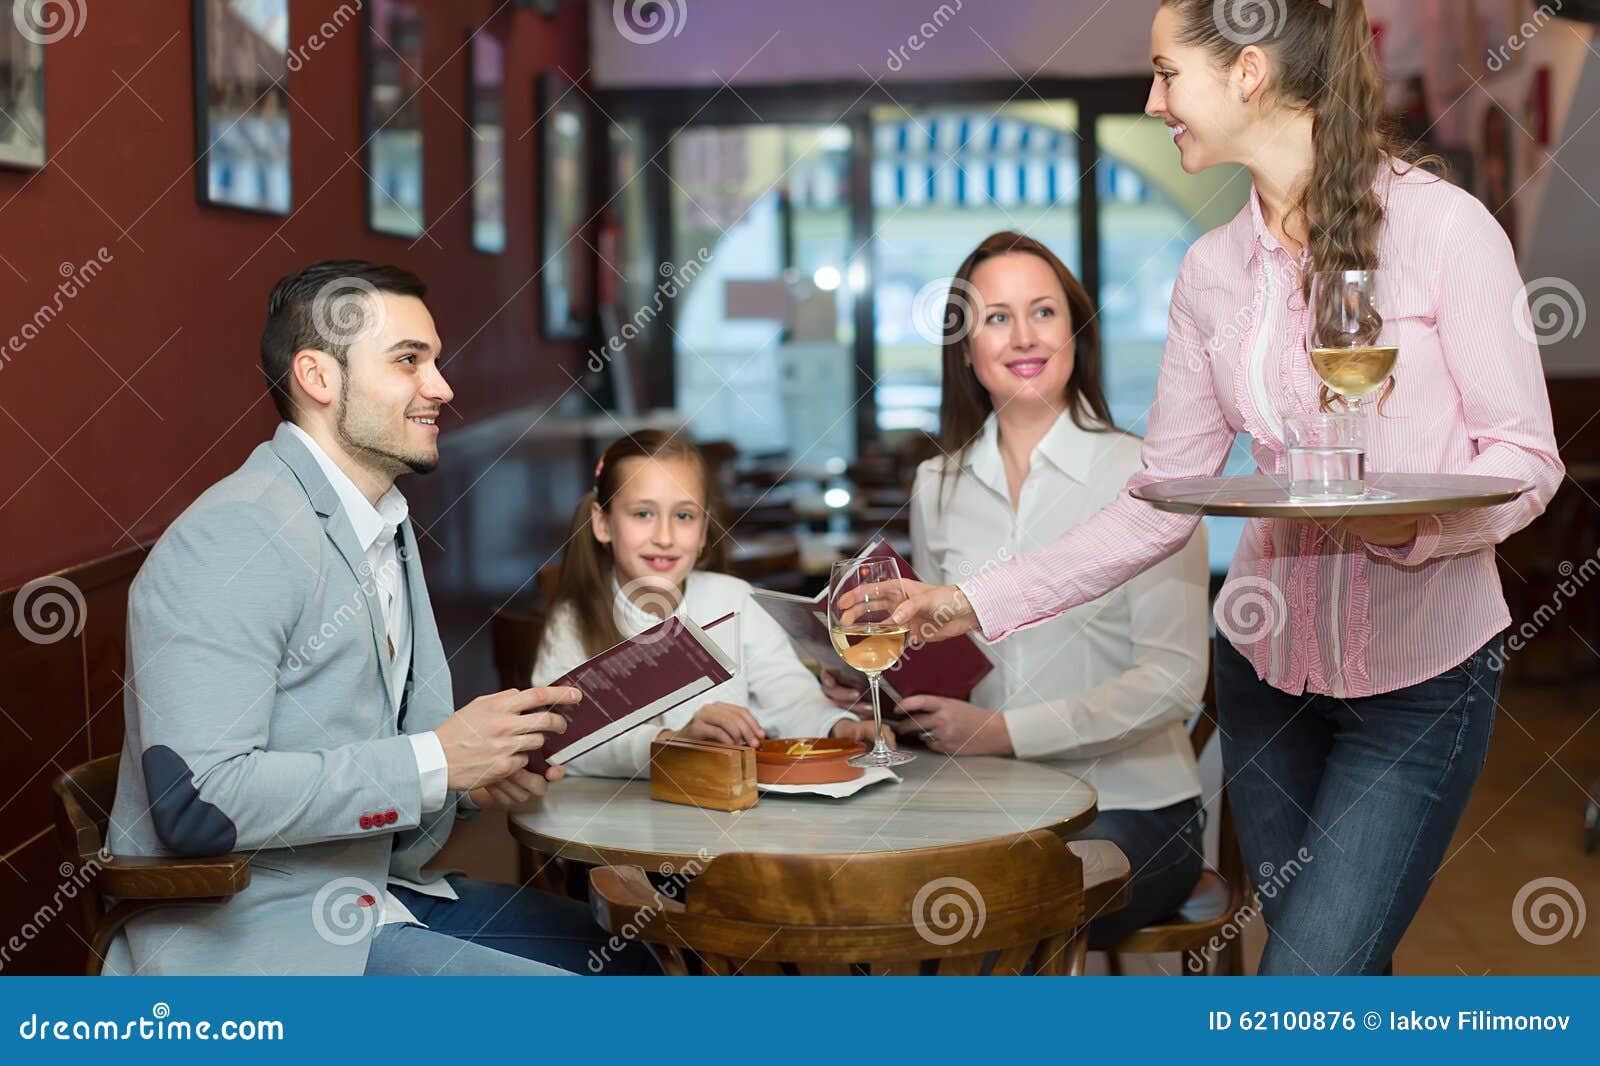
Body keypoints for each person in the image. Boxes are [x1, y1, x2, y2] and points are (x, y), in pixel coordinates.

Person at [885, 0, 1563, 975]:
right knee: (1332, 977)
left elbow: (1527, 460)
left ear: (1247, 72)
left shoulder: (1443, 231)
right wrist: (969, 601)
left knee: (1309, 981)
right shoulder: (1210, 273)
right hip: (1266, 668)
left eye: (1167, 73)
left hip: (1423, 677)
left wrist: (1416, 527)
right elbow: (1156, 499)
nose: (1155, 99)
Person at [106, 260, 654, 975]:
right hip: (267, 943)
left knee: (636, 964)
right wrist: (436, 761)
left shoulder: (381, 524)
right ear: (318, 378)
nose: (442, 388)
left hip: (376, 892)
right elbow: (199, 803)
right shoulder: (235, 536)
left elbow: (365, 761)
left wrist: (464, 780)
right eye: (408, 362)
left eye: (435, 361)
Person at [826, 231, 1210, 945]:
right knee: (860, 889)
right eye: (996, 317)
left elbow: (1175, 681)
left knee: (989, 908)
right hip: (980, 806)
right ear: (965, 350)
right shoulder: (935, 486)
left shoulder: (1149, 481)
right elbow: (950, 661)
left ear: (1076, 332)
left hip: (1130, 809)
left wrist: (1004, 734)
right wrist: (878, 687)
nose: (1024, 336)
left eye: (1044, 312)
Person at [532, 429, 886, 773]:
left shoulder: (736, 599)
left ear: (703, 532)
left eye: (684, 516)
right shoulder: (572, 620)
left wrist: (838, 726)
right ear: (603, 523)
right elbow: (562, 737)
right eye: (643, 514)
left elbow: (787, 691)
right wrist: (671, 742)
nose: (664, 537)